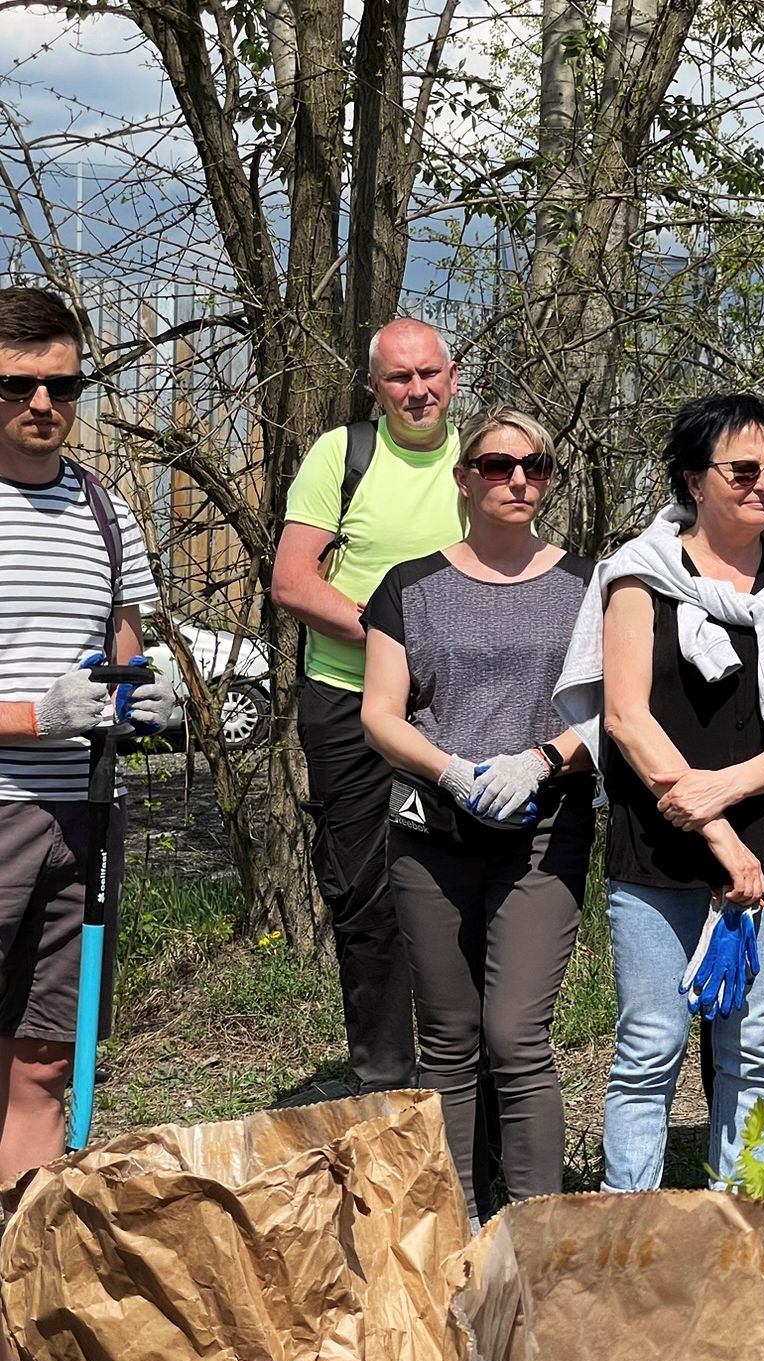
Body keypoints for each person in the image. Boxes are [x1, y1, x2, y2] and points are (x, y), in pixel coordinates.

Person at [551, 393, 764, 1189]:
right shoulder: (638, 575)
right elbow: (627, 718)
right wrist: (717, 830)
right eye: (745, 469)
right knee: (649, 1043)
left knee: (756, 1043)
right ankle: (626, 1218)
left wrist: (726, 790)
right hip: (660, 840)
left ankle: (738, 1212)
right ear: (692, 479)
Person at [0, 286, 171, 1361]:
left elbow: (121, 646)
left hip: (81, 813)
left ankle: (22, 1285)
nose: (45, 404)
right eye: (18, 385)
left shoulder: (108, 512)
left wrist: (139, 689)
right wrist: (28, 711)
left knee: (45, 1059)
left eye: (63, 382)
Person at [359, 407, 595, 1219]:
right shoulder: (410, 587)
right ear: (464, 478)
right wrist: (452, 770)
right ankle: (454, 1227)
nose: (518, 480)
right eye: (497, 466)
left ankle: (536, 1233)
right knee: (449, 1042)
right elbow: (380, 713)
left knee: (517, 1037)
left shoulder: (588, 588)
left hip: (544, 833)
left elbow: (614, 710)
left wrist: (544, 758)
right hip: (434, 833)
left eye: (535, 465)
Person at [273, 317, 465, 1095]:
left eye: (429, 374)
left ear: (453, 378)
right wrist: (392, 644)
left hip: (454, 710)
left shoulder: (486, 460)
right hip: (349, 704)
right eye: (399, 378)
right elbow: (293, 581)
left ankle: (460, 1075)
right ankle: (384, 1079)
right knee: (363, 893)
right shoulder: (341, 454)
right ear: (376, 388)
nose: (416, 390)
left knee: (459, 891)